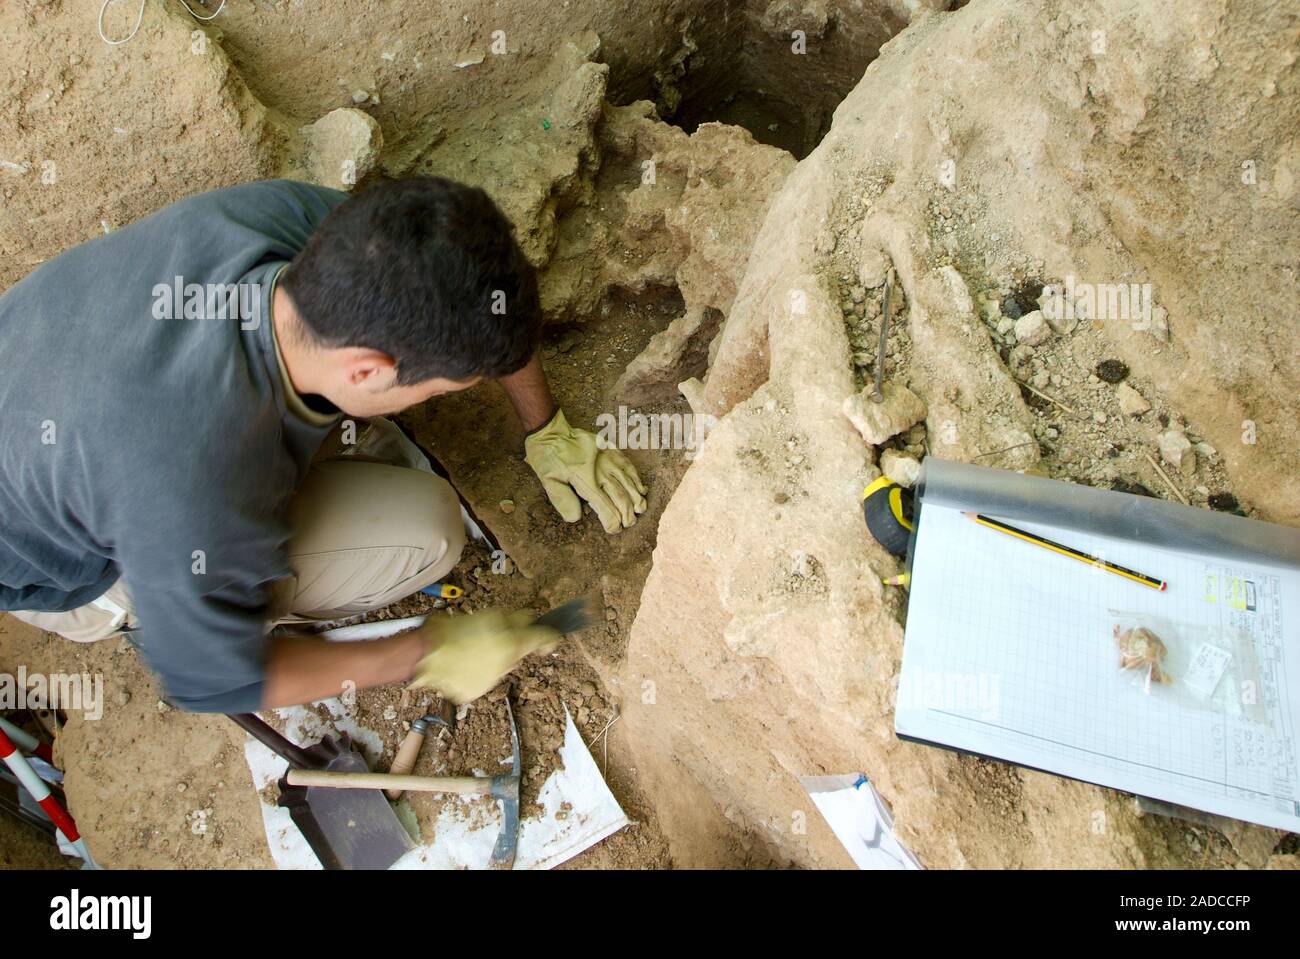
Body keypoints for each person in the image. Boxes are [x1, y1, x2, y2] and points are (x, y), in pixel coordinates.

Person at [0, 177, 645, 711]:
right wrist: (423, 652)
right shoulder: (194, 489)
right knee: (431, 530)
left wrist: (547, 426)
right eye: (442, 390)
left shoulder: (314, 231)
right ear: (366, 369)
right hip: (70, 559)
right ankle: (157, 612)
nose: (443, 398)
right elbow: (218, 682)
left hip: (52, 376)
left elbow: (484, 305)